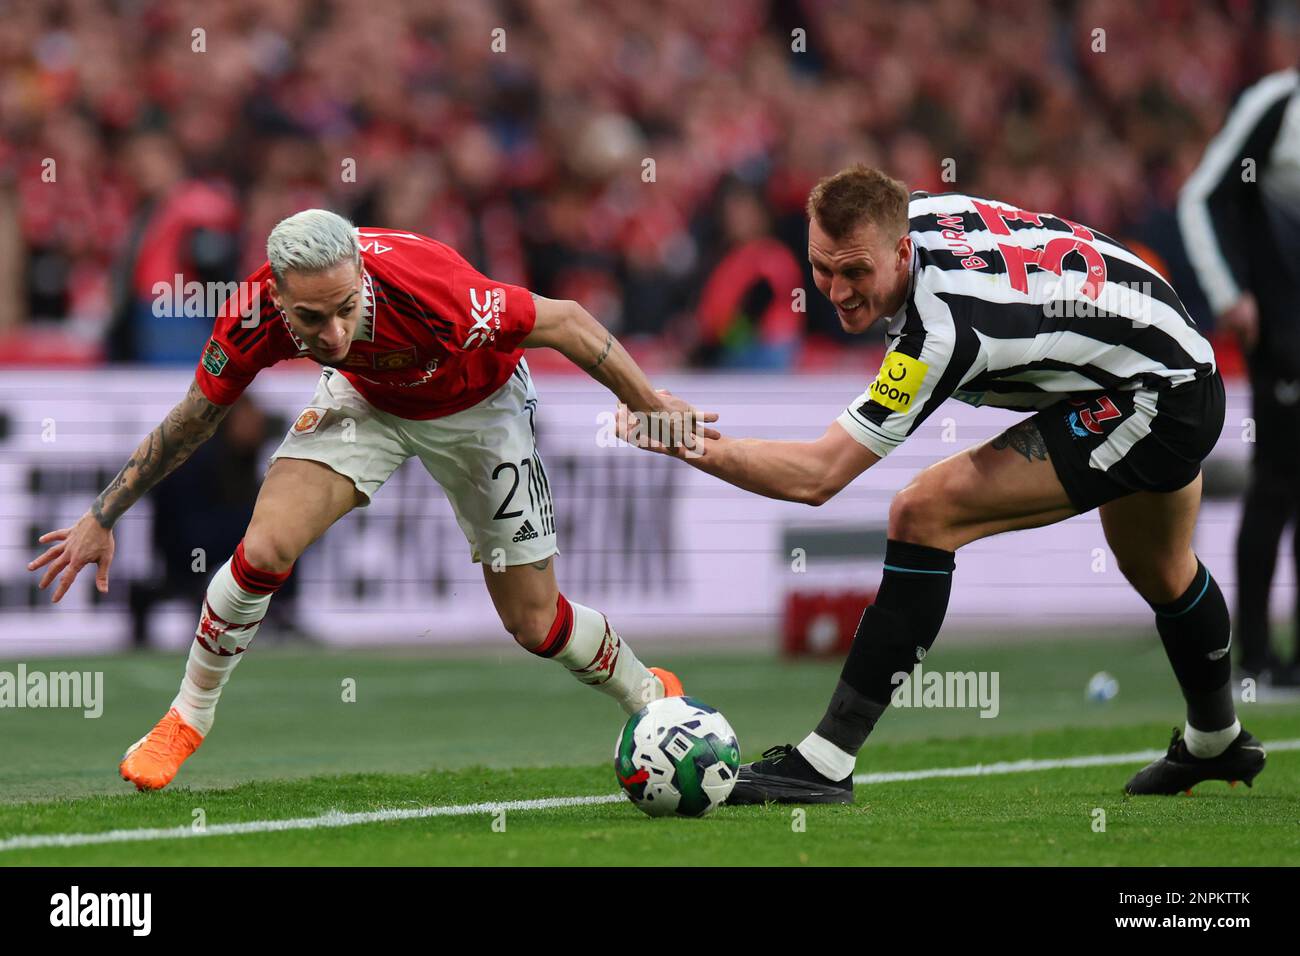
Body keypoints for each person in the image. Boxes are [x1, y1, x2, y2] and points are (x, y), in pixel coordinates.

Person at [622, 165, 1266, 803]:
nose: (837, 290)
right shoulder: (910, 217)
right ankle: (1217, 740)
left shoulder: (944, 328)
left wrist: (683, 439)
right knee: (1162, 568)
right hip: (1160, 352)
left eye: (855, 273)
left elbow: (816, 477)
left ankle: (825, 762)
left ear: (902, 251)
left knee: (923, 514)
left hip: (1156, 393)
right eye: (821, 268)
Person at [29, 209, 709, 791]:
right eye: (310, 318)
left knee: (534, 625)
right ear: (279, 295)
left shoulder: (436, 292)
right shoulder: (252, 315)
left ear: (362, 276)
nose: (330, 335)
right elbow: (191, 422)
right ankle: (186, 717)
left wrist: (648, 403)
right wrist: (101, 515)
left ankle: (649, 695)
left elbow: (568, 322)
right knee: (263, 546)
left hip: (481, 406)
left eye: (346, 310)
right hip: (367, 402)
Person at [1179, 66, 1300, 685]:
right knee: (1278, 482)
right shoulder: (1277, 104)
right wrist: (1229, 293)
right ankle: (1253, 654)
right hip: (1282, 335)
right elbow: (1199, 194)